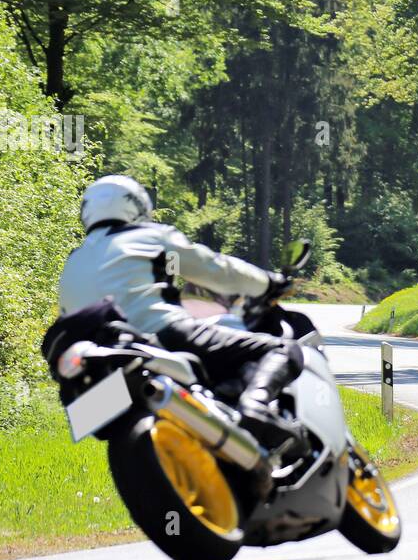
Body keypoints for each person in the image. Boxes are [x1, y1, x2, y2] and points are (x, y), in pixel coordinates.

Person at [57, 175, 305, 482]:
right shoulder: (149, 236)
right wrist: (268, 282)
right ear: (136, 206)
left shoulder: (72, 262)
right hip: (163, 334)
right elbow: (216, 270)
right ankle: (255, 409)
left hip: (105, 368)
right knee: (282, 348)